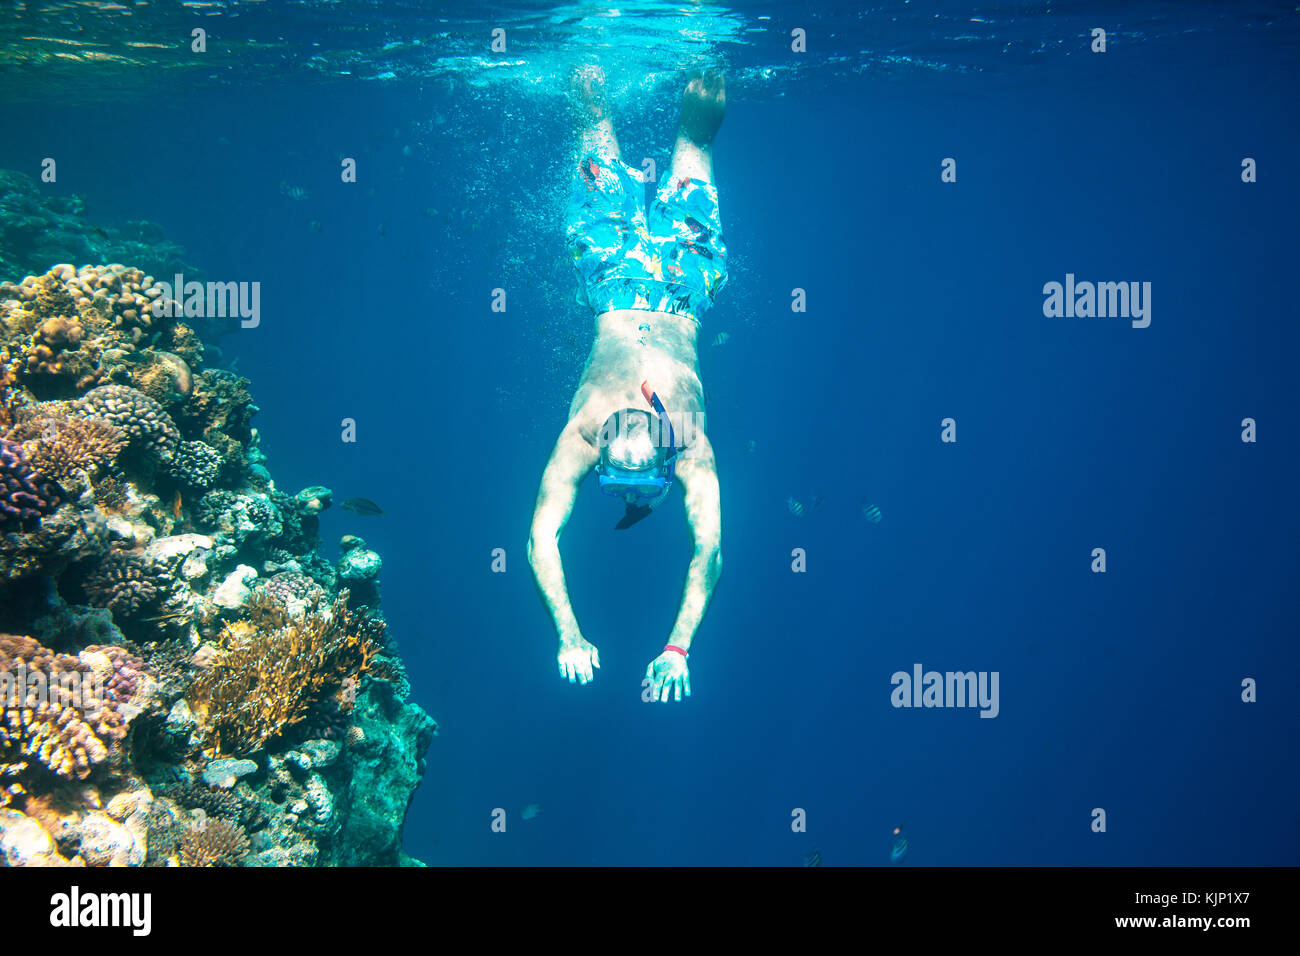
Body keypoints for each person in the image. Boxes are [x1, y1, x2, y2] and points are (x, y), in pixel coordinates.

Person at [527, 67, 728, 703]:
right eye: (645, 471)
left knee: (592, 113)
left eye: (619, 470)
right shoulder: (691, 445)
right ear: (663, 469)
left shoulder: (584, 436)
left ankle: (590, 51)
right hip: (686, 284)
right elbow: (710, 548)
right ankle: (701, 43)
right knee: (700, 128)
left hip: (610, 277)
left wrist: (568, 634)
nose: (632, 451)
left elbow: (539, 538)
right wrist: (676, 646)